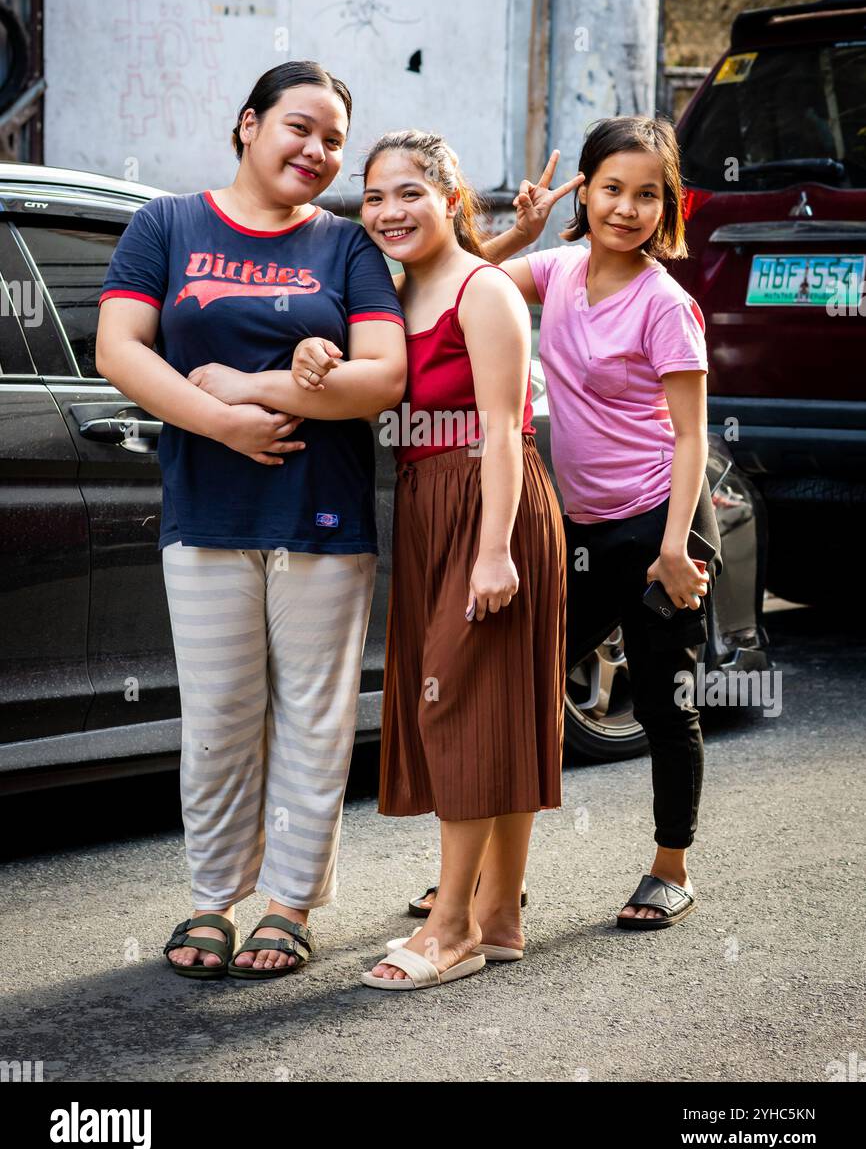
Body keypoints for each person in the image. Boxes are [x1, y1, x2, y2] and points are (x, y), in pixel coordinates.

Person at [95, 60, 406, 979]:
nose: (317, 150)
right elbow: (121, 348)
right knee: (220, 714)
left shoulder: (346, 248)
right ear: (248, 124)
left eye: (334, 140)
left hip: (322, 514)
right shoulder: (168, 224)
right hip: (205, 508)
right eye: (299, 127)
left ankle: (288, 904)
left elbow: (381, 378)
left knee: (314, 716)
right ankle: (212, 900)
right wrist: (220, 422)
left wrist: (249, 387)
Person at [292, 130, 568, 990]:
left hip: (492, 507)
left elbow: (501, 429)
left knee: (466, 708)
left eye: (408, 192)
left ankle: (449, 929)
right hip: (424, 506)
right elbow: (361, 376)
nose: (386, 211)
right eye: (373, 197)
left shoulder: (484, 292)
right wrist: (314, 354)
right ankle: (500, 916)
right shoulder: (387, 290)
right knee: (491, 707)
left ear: (450, 197)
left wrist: (494, 552)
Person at [481, 115, 722, 929]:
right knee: (523, 683)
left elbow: (691, 436)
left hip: (661, 521)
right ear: (585, 190)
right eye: (611, 188)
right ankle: (492, 873)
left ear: (668, 204)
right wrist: (516, 231)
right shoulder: (558, 269)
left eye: (647, 194)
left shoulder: (667, 305)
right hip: (581, 527)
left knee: (663, 702)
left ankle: (670, 869)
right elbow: (469, 284)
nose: (627, 208)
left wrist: (671, 551)